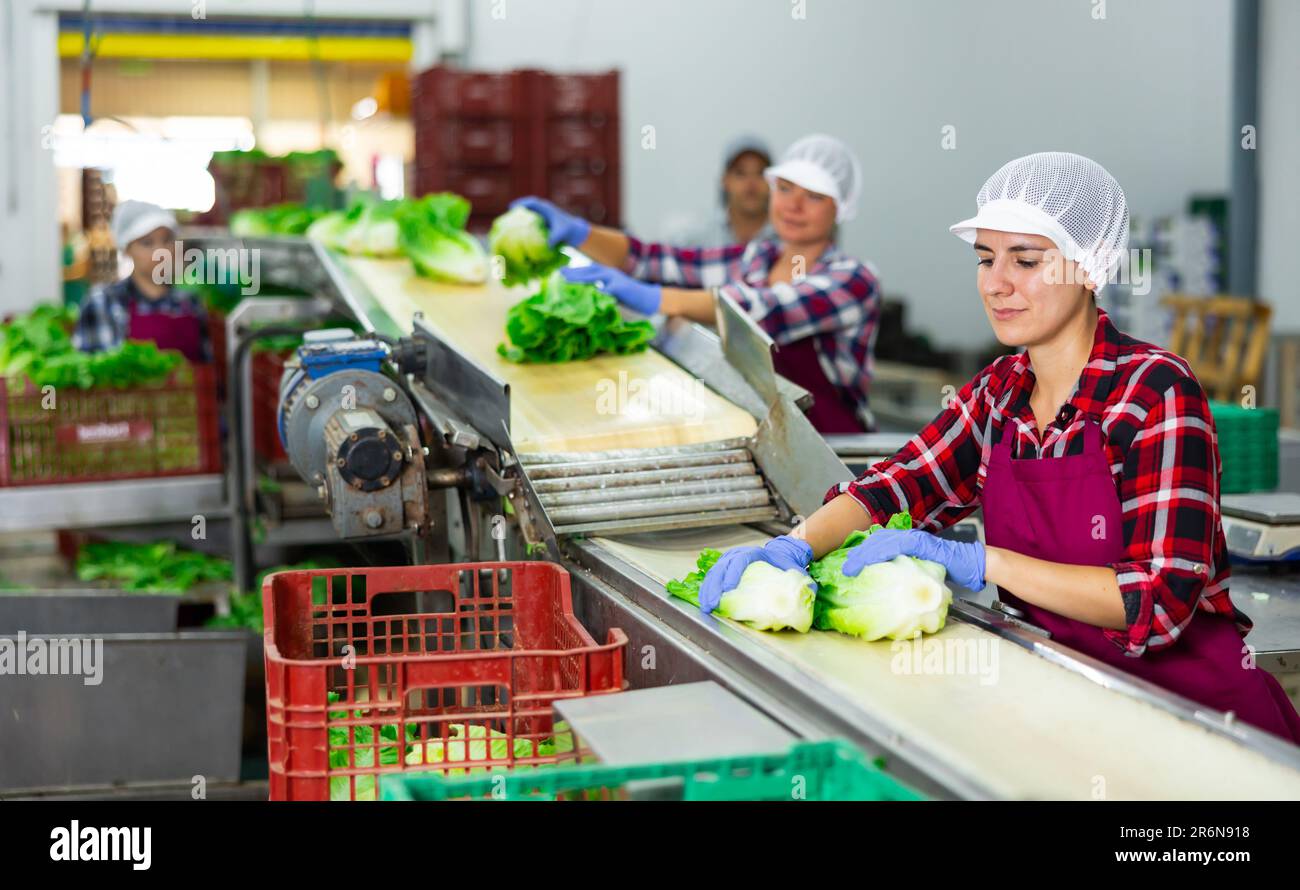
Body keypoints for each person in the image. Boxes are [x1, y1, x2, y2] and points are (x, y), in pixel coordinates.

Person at [697, 151, 1300, 743]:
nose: (997, 284)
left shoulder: (1155, 392)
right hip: (1074, 701)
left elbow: (1158, 597)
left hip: (1198, 728)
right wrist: (794, 547)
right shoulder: (999, 393)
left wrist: (981, 562)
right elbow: (899, 484)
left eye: (1027, 260)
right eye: (986, 259)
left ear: (1089, 268)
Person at [514, 133, 881, 433]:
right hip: (773, 434)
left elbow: (756, 308)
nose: (794, 205)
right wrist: (579, 232)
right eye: (785, 189)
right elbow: (656, 259)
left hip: (838, 450)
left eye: (814, 196)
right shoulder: (757, 257)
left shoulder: (854, 279)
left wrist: (652, 297)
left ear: (841, 208)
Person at [73, 200, 212, 364]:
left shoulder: (190, 303)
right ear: (126, 250)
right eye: (147, 243)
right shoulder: (103, 302)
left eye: (167, 240)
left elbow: (206, 370)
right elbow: (98, 376)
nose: (161, 252)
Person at [667, 134, 776, 247]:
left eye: (760, 173)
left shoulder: (788, 239)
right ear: (725, 180)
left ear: (773, 181)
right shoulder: (694, 239)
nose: (751, 183)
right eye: (740, 173)